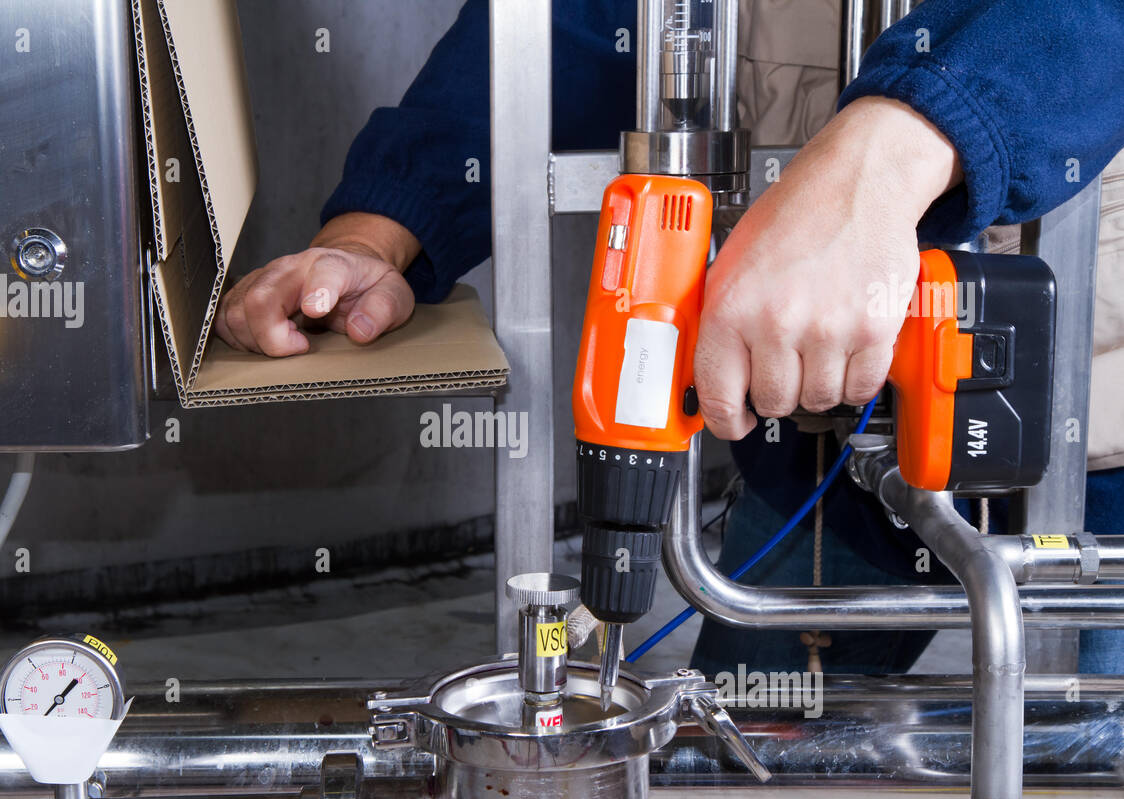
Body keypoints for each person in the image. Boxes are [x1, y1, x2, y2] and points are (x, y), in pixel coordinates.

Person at [218, 0, 1124, 688]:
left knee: (1078, 794)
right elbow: (564, 24)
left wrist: (880, 158)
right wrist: (377, 234)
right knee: (746, 784)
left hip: (1102, 438)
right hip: (811, 439)